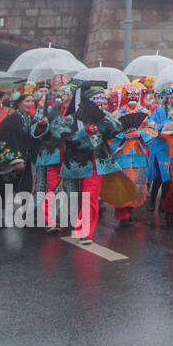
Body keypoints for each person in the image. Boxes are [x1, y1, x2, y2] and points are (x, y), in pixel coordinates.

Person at [59, 82, 121, 243]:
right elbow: (65, 137)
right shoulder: (71, 119)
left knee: (90, 196)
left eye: (102, 100)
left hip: (96, 161)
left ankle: (85, 230)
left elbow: (117, 129)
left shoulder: (105, 117)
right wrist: (83, 132)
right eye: (97, 100)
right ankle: (69, 220)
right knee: (74, 195)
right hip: (74, 163)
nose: (100, 103)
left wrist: (106, 120)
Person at [29, 77, 76, 232]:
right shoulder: (47, 109)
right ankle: (47, 217)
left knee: (71, 187)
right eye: (57, 91)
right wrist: (42, 125)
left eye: (66, 91)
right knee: (48, 185)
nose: (62, 95)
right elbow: (34, 130)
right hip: (50, 153)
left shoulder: (76, 110)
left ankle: (68, 216)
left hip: (70, 154)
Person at [106, 85, 151, 227]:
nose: (132, 97)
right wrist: (123, 136)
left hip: (138, 152)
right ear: (125, 96)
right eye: (130, 94)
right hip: (122, 153)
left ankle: (130, 210)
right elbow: (109, 133)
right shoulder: (117, 114)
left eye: (135, 94)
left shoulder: (145, 112)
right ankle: (122, 214)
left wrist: (141, 134)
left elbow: (153, 128)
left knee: (136, 183)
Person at [140, 89, 173, 226]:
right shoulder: (159, 112)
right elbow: (155, 128)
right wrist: (166, 129)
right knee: (159, 175)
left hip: (171, 148)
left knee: (168, 178)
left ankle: (163, 202)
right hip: (159, 147)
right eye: (171, 97)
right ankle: (152, 199)